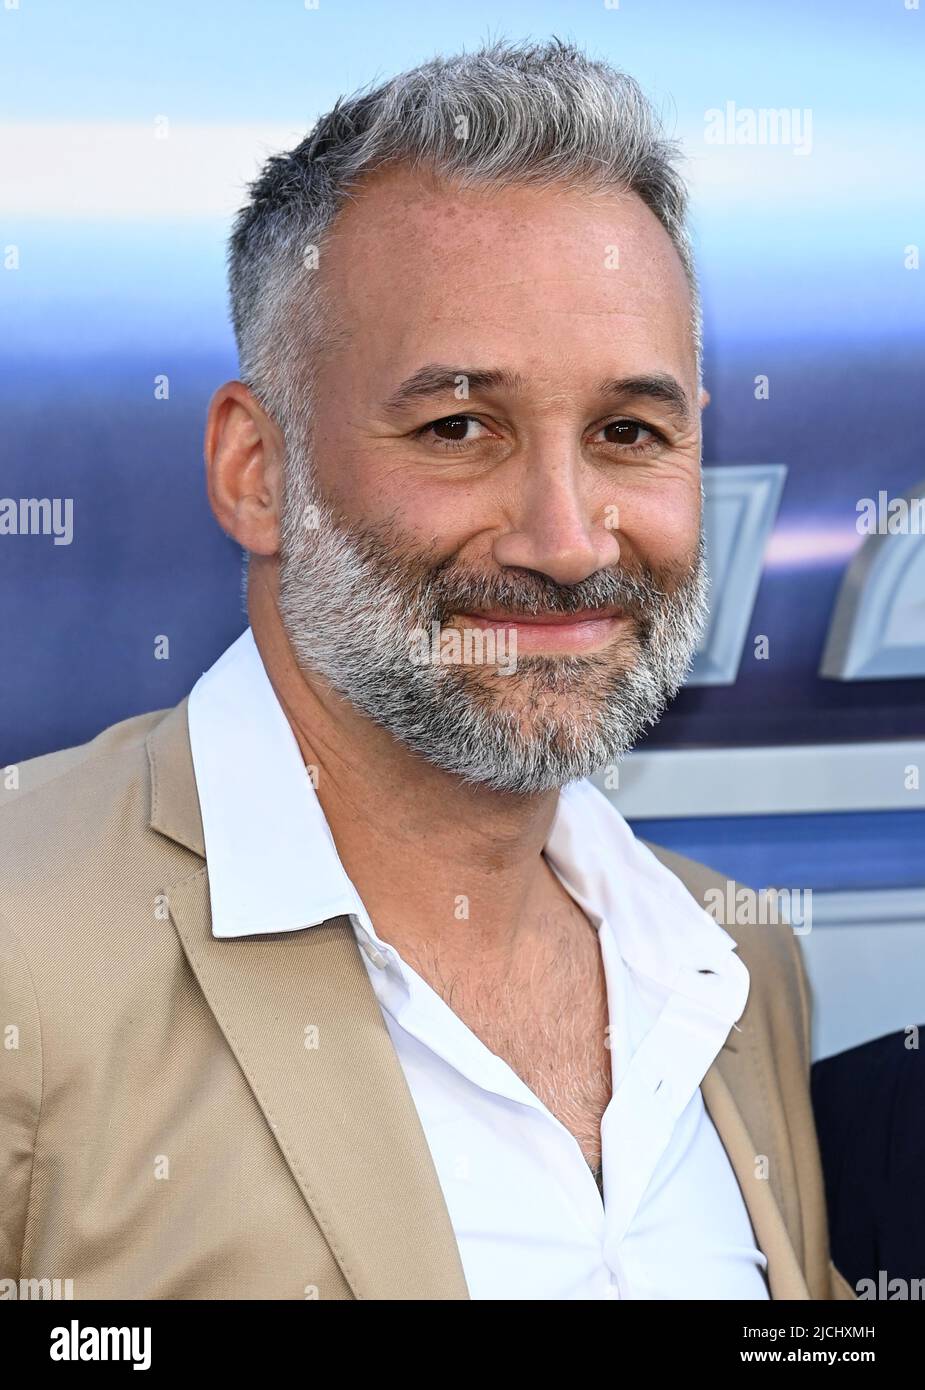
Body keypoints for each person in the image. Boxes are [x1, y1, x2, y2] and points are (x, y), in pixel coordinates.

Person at [0, 38, 855, 1300]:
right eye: (459, 426)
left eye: (628, 432)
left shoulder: (733, 973)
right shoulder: (24, 941)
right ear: (257, 470)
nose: (567, 543)